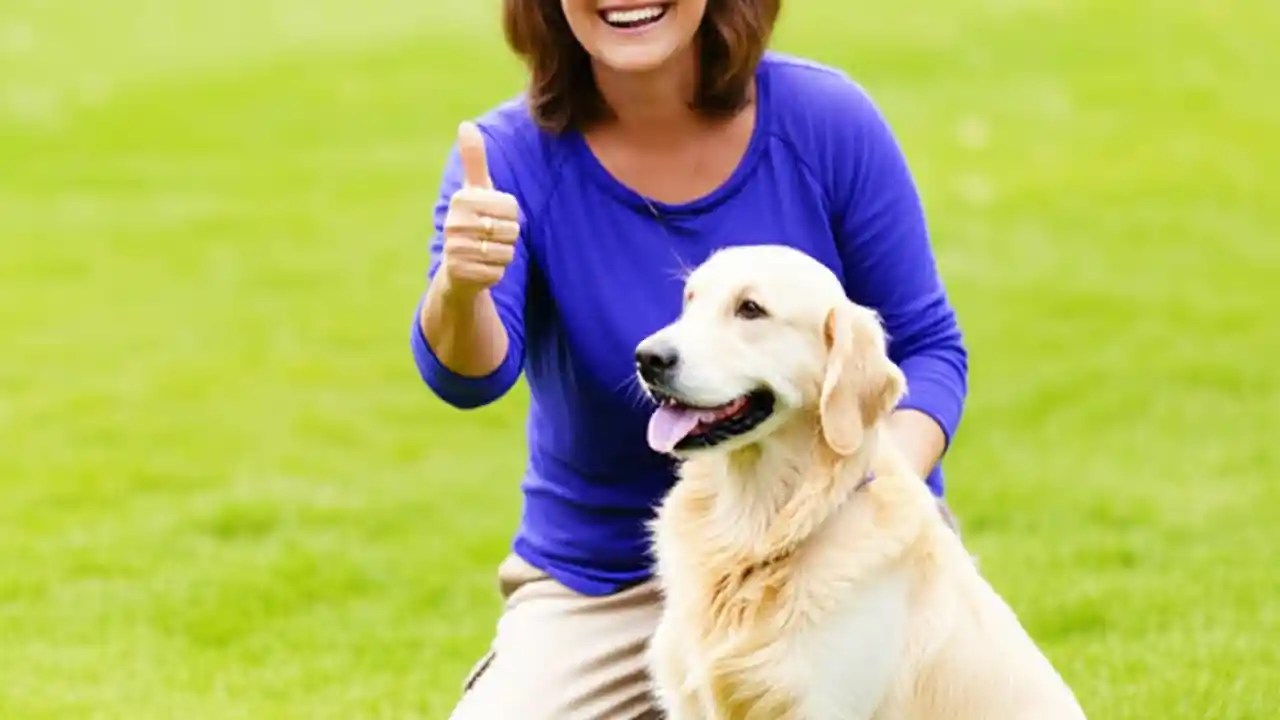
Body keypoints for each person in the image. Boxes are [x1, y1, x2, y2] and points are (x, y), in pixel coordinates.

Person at [412, 1, 968, 717]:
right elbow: (470, 378)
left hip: (841, 550)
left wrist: (855, 498)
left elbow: (928, 350)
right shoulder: (506, 158)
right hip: (607, 577)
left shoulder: (828, 122)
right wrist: (461, 286)